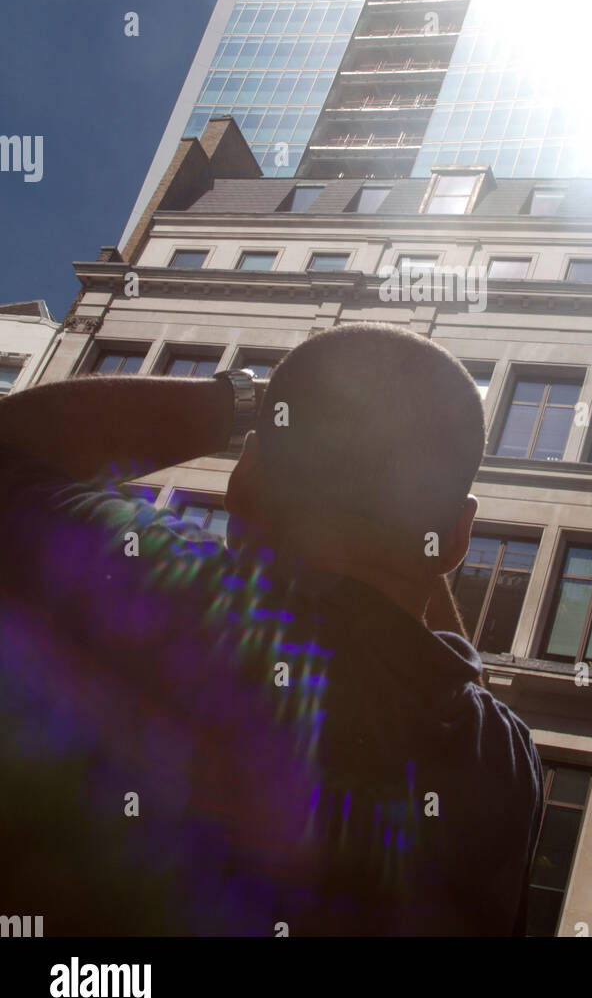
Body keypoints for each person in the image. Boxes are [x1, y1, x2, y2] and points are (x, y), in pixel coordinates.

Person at [0, 321, 543, 936]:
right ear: (461, 537)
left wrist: (245, 401)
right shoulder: (503, 763)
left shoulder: (155, 594)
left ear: (243, 479)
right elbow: (441, 655)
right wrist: (419, 521)